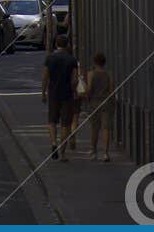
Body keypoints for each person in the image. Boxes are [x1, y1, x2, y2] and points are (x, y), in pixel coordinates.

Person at [41, 33, 78, 161]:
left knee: (52, 121)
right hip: (67, 94)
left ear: (56, 44)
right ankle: (62, 153)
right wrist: (74, 91)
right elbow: (74, 80)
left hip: (53, 94)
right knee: (66, 125)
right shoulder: (71, 59)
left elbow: (45, 76)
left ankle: (53, 143)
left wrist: (43, 92)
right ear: (67, 45)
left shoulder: (49, 58)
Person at [84, 52, 114, 162]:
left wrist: (86, 97)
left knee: (94, 128)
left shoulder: (91, 74)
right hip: (106, 103)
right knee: (106, 128)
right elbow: (111, 90)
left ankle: (94, 151)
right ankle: (105, 153)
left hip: (94, 104)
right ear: (104, 62)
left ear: (95, 62)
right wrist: (113, 103)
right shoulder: (109, 74)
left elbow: (89, 89)